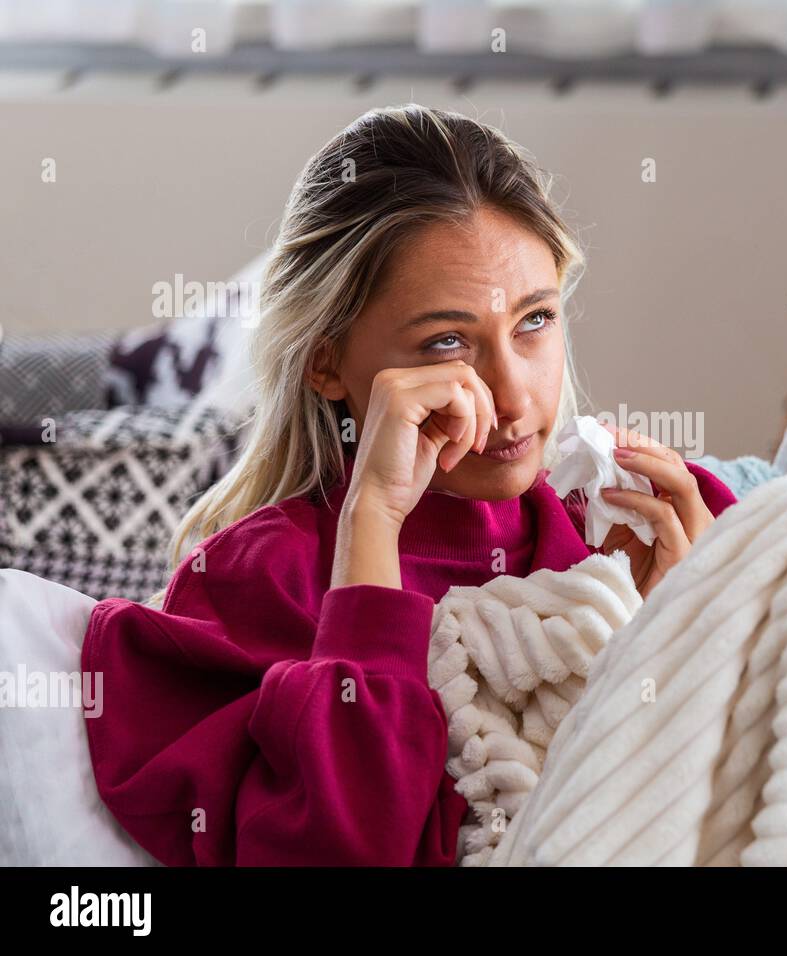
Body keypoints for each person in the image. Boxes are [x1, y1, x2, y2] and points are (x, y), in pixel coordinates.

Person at [82, 105, 737, 866]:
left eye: (535, 322)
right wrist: (374, 523)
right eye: (448, 342)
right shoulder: (258, 584)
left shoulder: (660, 523)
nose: (515, 396)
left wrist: (690, 634)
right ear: (327, 363)